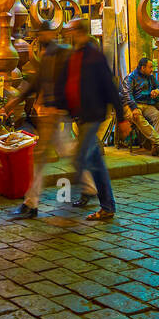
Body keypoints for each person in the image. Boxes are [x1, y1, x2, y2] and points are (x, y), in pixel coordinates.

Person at [4, 27, 95, 219]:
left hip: (54, 112)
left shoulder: (61, 54)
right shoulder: (48, 55)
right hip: (52, 111)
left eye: (41, 34)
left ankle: (31, 203)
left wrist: (56, 105)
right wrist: (16, 101)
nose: (39, 37)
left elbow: (64, 83)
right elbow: (37, 82)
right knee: (67, 150)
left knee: (42, 157)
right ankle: (90, 187)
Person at [54, 18, 125, 222]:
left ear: (79, 32)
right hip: (80, 115)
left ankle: (77, 198)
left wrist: (121, 118)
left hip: (93, 114)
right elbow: (67, 83)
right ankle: (106, 205)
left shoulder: (94, 57)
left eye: (71, 30)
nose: (68, 33)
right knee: (94, 161)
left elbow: (110, 87)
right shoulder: (73, 56)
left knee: (81, 157)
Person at [122, 57, 159, 155]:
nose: (152, 69)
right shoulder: (130, 77)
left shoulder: (150, 77)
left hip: (147, 104)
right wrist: (134, 108)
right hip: (132, 105)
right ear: (143, 68)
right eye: (150, 67)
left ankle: (156, 147)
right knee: (138, 117)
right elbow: (127, 94)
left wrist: (157, 90)